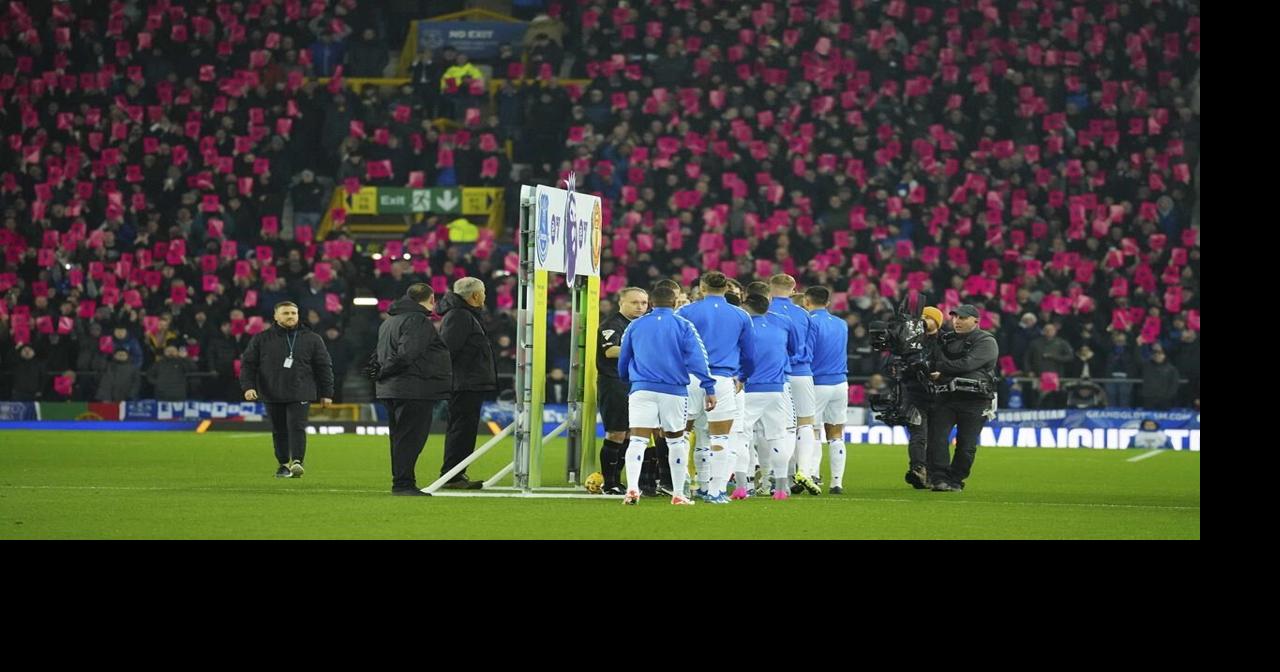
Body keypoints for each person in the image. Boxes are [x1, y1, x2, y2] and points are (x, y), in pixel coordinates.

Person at [617, 286, 715, 506]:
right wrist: (709, 387)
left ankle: (632, 489)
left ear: (651, 302)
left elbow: (624, 357)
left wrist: (628, 379)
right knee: (676, 441)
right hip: (673, 391)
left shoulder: (636, 325)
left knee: (638, 439)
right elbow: (699, 358)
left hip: (642, 389)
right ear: (674, 303)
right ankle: (678, 493)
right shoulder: (683, 325)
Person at [676, 271, 754, 503]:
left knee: (681, 435)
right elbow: (750, 354)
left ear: (701, 287)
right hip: (721, 380)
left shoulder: (686, 311)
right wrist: (743, 377)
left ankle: (682, 489)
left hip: (689, 378)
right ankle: (715, 491)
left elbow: (674, 345)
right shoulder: (740, 315)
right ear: (727, 289)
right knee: (721, 438)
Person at [373, 284, 454, 495]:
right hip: (413, 388)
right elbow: (407, 354)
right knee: (411, 438)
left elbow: (379, 355)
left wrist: (380, 373)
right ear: (431, 299)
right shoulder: (418, 321)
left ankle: (401, 481)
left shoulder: (389, 321)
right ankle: (403, 483)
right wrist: (385, 372)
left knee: (399, 438)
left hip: (391, 388)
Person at [241, 301, 334, 479]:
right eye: (286, 313)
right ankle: (283, 464)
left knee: (297, 426)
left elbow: (324, 367)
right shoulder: (261, 339)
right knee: (279, 429)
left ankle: (297, 461)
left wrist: (327, 393)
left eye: (293, 313)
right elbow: (248, 365)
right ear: (276, 316)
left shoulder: (312, 339)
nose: (290, 316)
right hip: (271, 391)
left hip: (301, 391)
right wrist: (248, 387)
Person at [926, 305, 999, 491]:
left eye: (962, 318)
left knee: (966, 445)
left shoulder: (987, 341)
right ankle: (939, 478)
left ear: (976, 321)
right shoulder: (946, 340)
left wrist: (941, 369)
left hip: (976, 399)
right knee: (937, 438)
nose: (957, 321)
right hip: (947, 396)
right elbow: (937, 360)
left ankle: (956, 479)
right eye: (955, 317)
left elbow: (968, 363)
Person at [738, 293, 799, 500]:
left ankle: (742, 486)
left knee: (741, 436)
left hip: (748, 389)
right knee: (777, 436)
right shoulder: (784, 322)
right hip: (776, 389)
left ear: (747, 305)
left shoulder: (743, 325)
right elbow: (794, 349)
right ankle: (781, 488)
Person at [436, 277, 496, 489]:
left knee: (464, 429)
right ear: (475, 295)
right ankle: (451, 476)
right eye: (484, 292)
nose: (485, 296)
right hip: (464, 384)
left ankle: (456, 474)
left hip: (468, 383)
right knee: (461, 430)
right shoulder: (460, 317)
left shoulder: (464, 315)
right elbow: (447, 351)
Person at [769, 274, 821, 496]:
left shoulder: (765, 311)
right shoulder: (803, 314)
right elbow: (811, 346)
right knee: (806, 423)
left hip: (776, 376)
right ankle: (805, 471)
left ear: (771, 289)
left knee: (782, 427)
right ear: (793, 289)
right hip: (802, 373)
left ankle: (780, 475)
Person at [596, 286, 648, 495]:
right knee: (616, 432)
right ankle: (609, 483)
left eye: (643, 303)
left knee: (628, 433)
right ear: (621, 303)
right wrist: (643, 349)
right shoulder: (612, 324)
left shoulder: (642, 324)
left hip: (634, 384)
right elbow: (610, 351)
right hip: (614, 382)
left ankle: (617, 480)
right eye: (634, 302)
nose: (640, 307)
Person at [805, 286, 850, 494]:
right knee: (836, 433)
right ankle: (837, 483)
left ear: (807, 301)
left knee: (812, 431)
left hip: (817, 383)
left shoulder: (810, 322)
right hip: (840, 383)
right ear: (828, 303)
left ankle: (812, 475)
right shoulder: (842, 324)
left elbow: (808, 352)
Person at [902, 306, 944, 489]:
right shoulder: (909, 341)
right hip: (916, 394)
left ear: (937, 322)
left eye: (928, 317)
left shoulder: (947, 341)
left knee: (936, 437)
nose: (924, 320)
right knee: (918, 434)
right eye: (922, 317)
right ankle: (918, 470)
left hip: (941, 396)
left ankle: (935, 473)